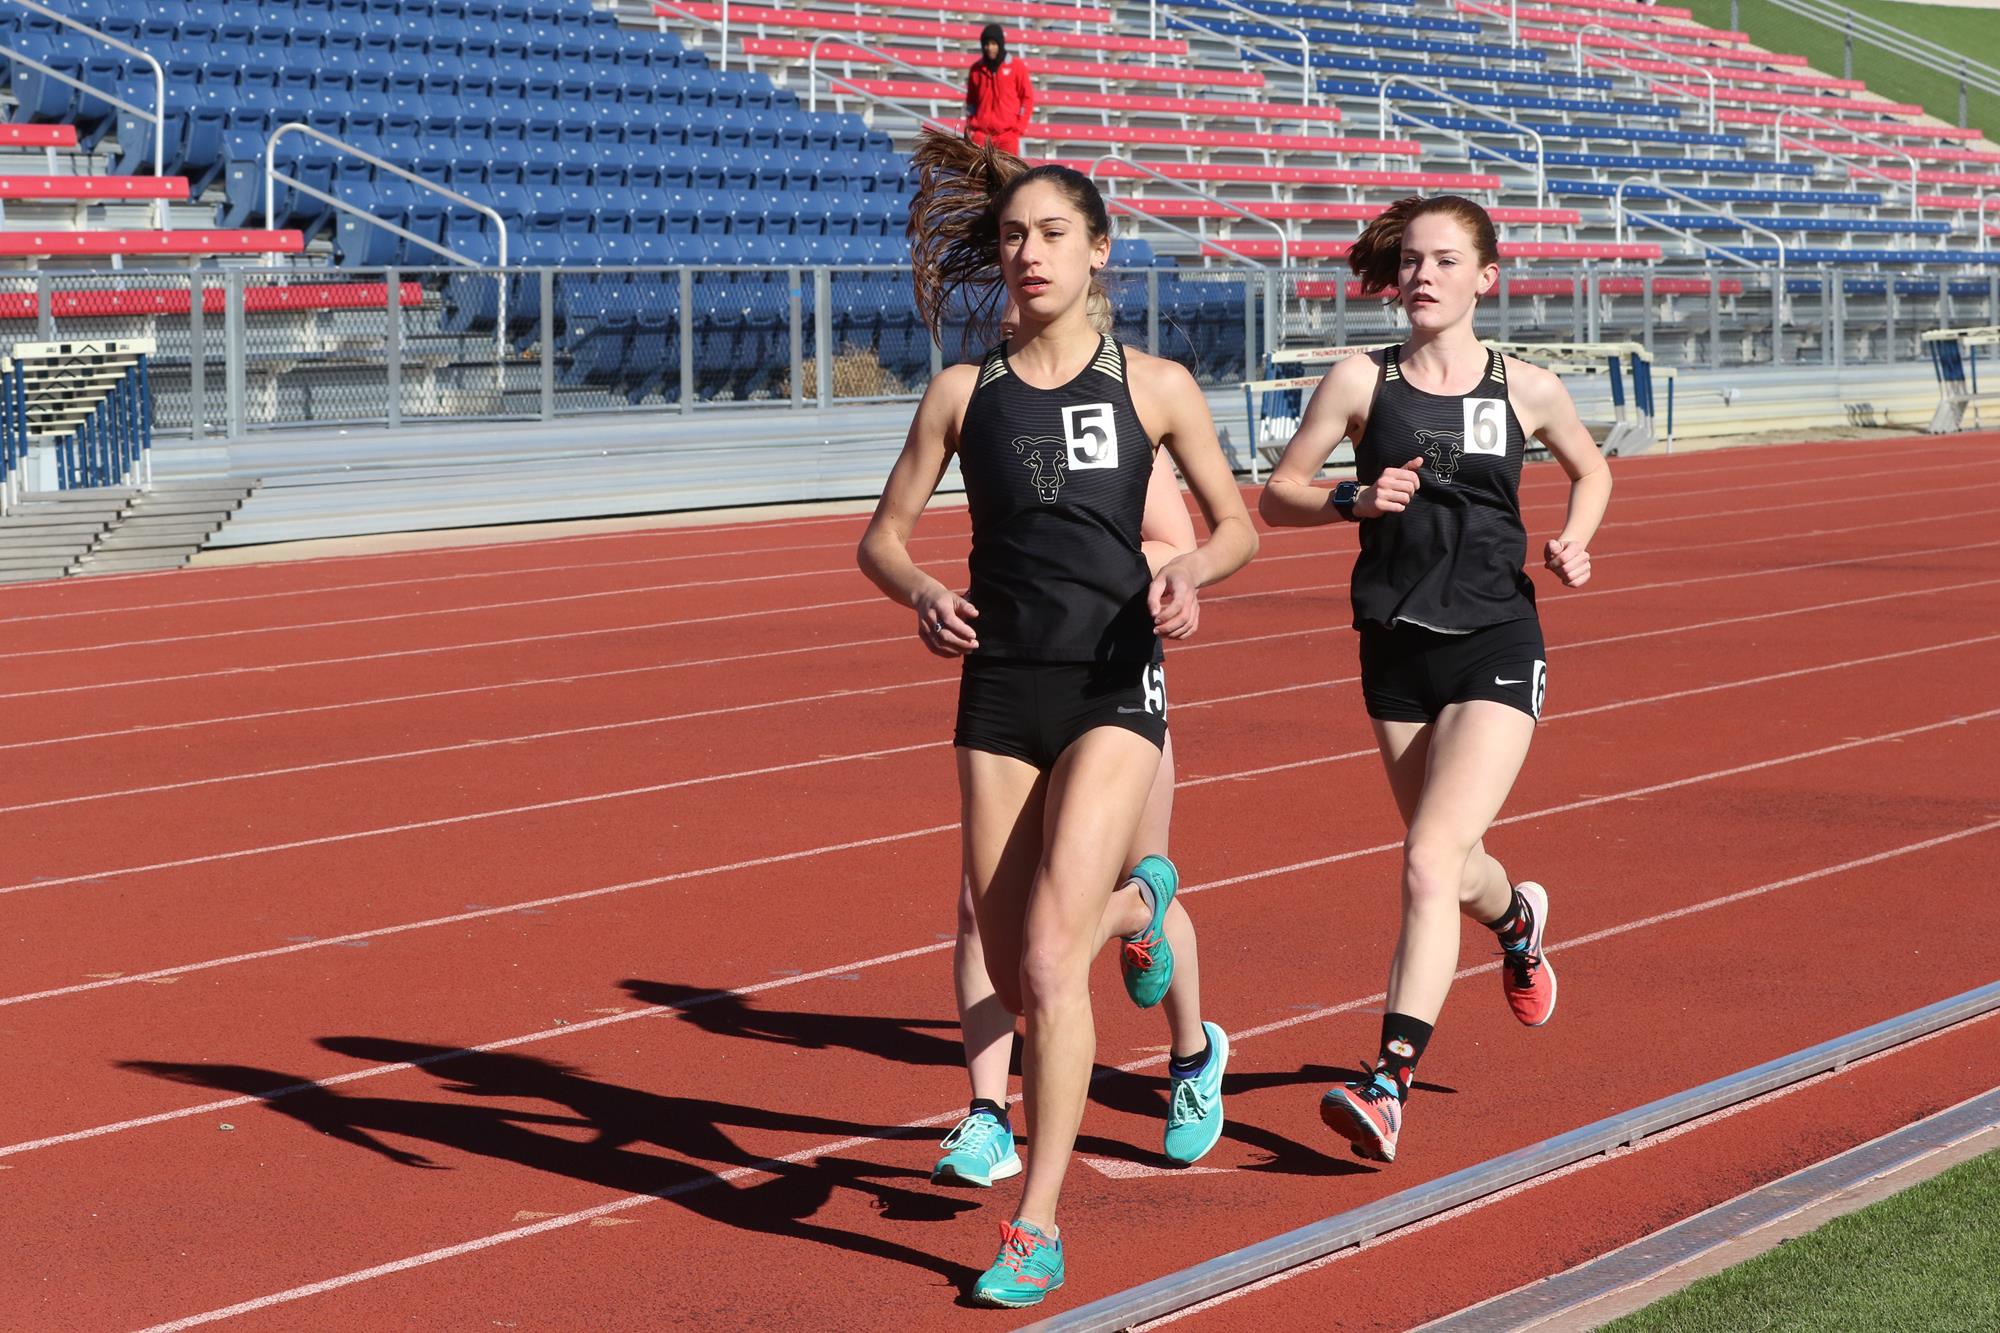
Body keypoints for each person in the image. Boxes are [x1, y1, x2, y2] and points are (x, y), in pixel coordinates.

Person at [857, 131, 1257, 1308]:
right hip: (998, 693)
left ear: (1097, 253)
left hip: (1111, 685)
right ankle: (1146, 900)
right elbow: (879, 537)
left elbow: (1235, 524)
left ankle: (1035, 1224)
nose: (1025, 254)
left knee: (1042, 952)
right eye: (1012, 236)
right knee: (1012, 950)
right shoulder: (959, 393)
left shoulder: (1153, 387)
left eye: (1050, 235)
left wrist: (1191, 577)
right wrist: (925, 590)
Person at [1257, 195, 1610, 1165]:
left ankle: (1385, 1081)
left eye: (1444, 261)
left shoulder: (1527, 388)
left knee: (1421, 860)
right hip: (1393, 649)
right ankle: (1517, 917)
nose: (1421, 275)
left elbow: (1590, 469)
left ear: (1484, 279)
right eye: (1409, 260)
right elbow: (1275, 495)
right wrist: (1349, 497)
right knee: (1449, 867)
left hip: (1495, 639)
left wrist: (1574, 539)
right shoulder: (1358, 382)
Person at [932, 297, 1223, 1194]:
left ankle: (1190, 1053)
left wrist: (1177, 580)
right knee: (989, 910)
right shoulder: (992, 406)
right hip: (1015, 681)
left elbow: (1182, 540)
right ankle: (987, 1113)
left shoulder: (1134, 408)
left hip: (1114, 679)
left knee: (1136, 881)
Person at [964, 23, 1032, 156]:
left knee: (1008, 176)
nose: (990, 48)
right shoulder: (976, 70)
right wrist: (971, 125)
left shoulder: (1016, 67)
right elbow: (971, 102)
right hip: (981, 137)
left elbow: (1027, 98)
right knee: (977, 176)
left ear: (1000, 44)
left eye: (994, 44)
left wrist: (1018, 129)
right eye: (986, 44)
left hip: (1007, 136)